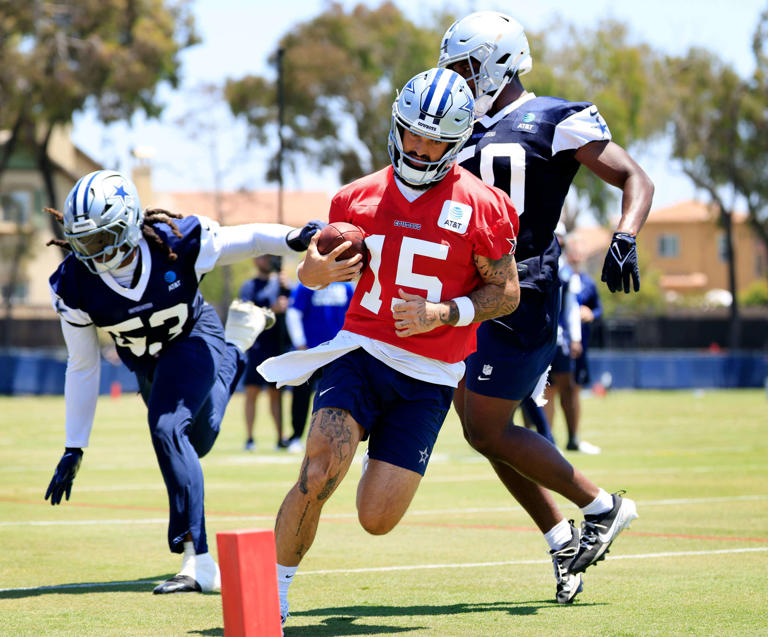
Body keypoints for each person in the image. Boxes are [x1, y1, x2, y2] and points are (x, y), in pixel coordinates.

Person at [257, 67, 520, 628]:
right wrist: (312, 271)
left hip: (431, 374)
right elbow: (310, 275)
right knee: (320, 469)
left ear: (458, 142)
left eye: (435, 140)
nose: (421, 148)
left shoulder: (485, 205)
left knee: (376, 518)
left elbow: (506, 293)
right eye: (413, 134)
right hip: (360, 352)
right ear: (396, 127)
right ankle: (271, 600)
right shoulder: (355, 198)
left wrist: (444, 313)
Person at [438, 11, 653, 603]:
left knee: (485, 427)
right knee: (483, 429)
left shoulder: (554, 118)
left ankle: (602, 506)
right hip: (467, 295)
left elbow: (635, 176)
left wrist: (626, 234)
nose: (454, 76)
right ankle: (563, 539)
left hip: (522, 292)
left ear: (495, 65)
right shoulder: (456, 126)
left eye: (463, 66)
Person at [43, 169, 322, 594]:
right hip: (148, 364)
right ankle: (239, 347)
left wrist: (294, 238)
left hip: (193, 337)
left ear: (129, 225)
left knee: (168, 427)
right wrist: (73, 446)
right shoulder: (73, 284)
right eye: (85, 243)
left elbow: (244, 240)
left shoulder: (177, 241)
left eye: (102, 239)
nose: (94, 253)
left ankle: (199, 560)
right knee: (199, 439)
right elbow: (82, 365)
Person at [543, 235, 601, 453]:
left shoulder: (567, 273)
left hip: (559, 340)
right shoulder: (533, 262)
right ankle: (545, 438)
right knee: (542, 391)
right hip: (537, 338)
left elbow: (570, 309)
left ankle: (572, 438)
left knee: (568, 389)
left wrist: (575, 338)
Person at [284, 280, 355, 452]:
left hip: (337, 351)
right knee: (301, 395)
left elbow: (354, 314)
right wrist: (299, 342)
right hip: (311, 351)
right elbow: (293, 313)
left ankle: (332, 437)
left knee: (336, 396)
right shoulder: (309, 283)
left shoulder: (345, 286)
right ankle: (296, 436)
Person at [239, 255, 292, 451]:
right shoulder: (249, 286)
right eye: (262, 257)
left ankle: (281, 437)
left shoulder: (280, 283)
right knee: (252, 391)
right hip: (257, 346)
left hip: (276, 346)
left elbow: (293, 306)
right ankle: (250, 438)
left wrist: (287, 288)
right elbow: (245, 313)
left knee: (275, 393)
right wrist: (272, 309)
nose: (266, 261)